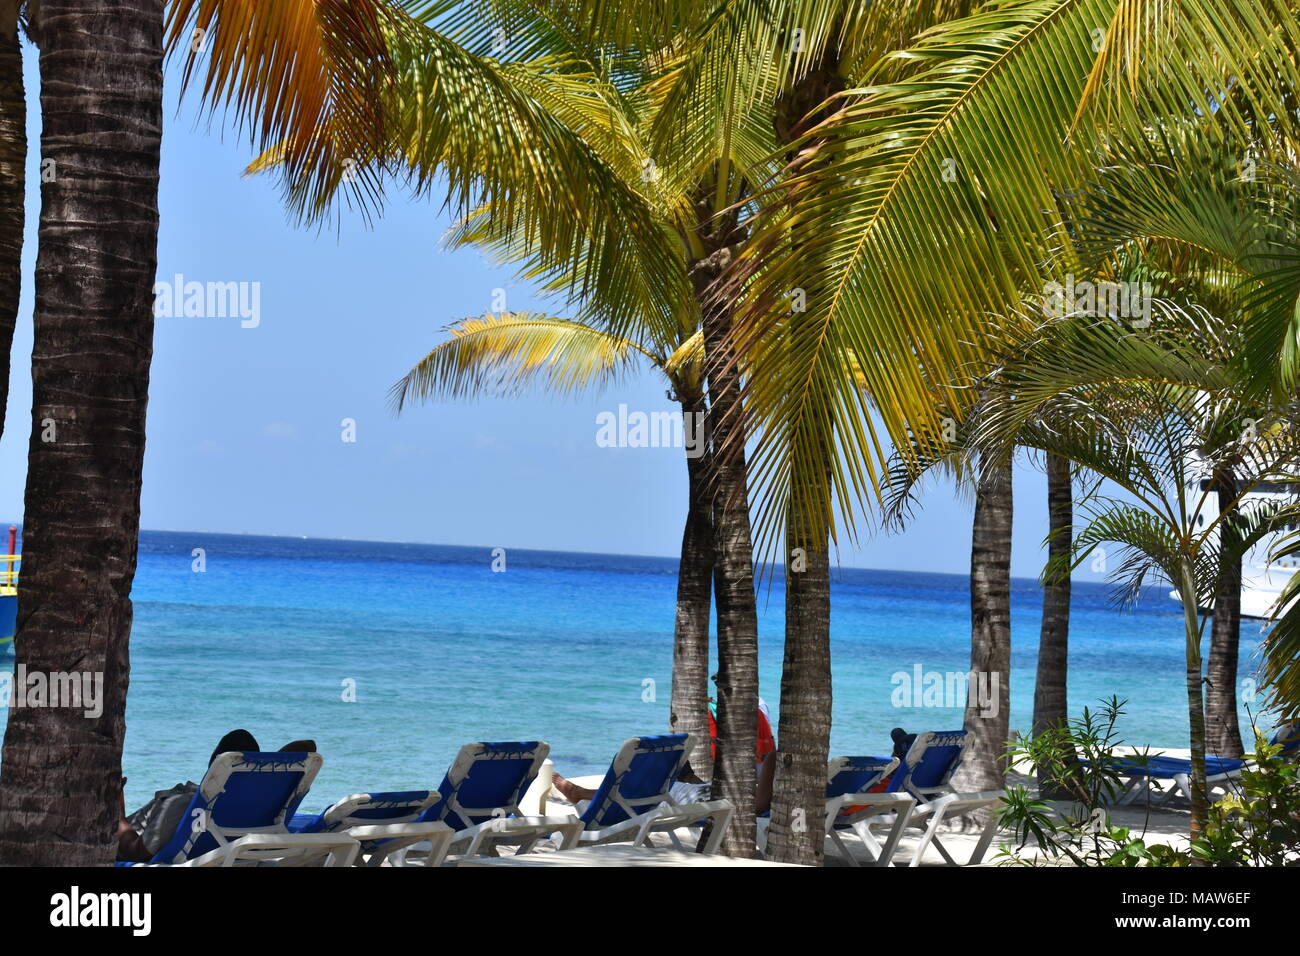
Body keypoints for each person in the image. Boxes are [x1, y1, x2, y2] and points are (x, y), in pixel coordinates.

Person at [116, 729, 316, 863]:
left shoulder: (184, 805)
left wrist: (114, 808)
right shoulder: (261, 808)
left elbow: (136, 854)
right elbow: (308, 746)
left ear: (213, 764)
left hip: (118, 845)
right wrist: (265, 770)